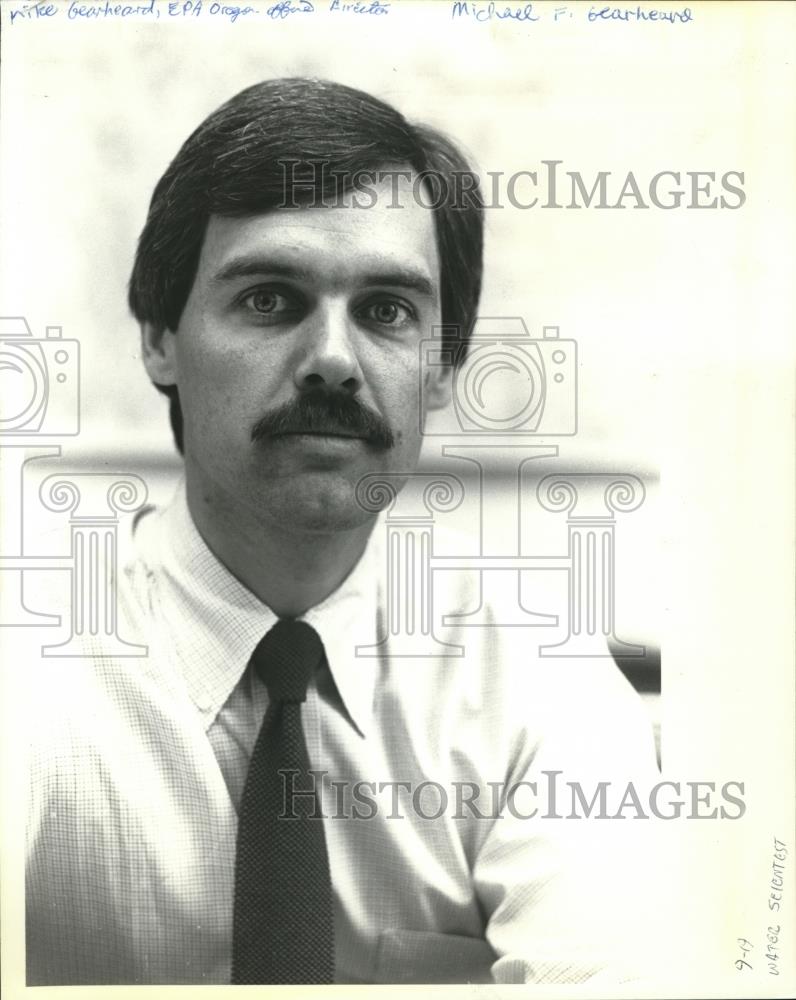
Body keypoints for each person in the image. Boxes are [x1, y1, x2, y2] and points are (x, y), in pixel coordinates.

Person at [26, 77, 659, 986]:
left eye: (387, 311)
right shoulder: (29, 665)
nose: (332, 359)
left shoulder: (542, 687)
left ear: (443, 370)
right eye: (270, 300)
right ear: (160, 339)